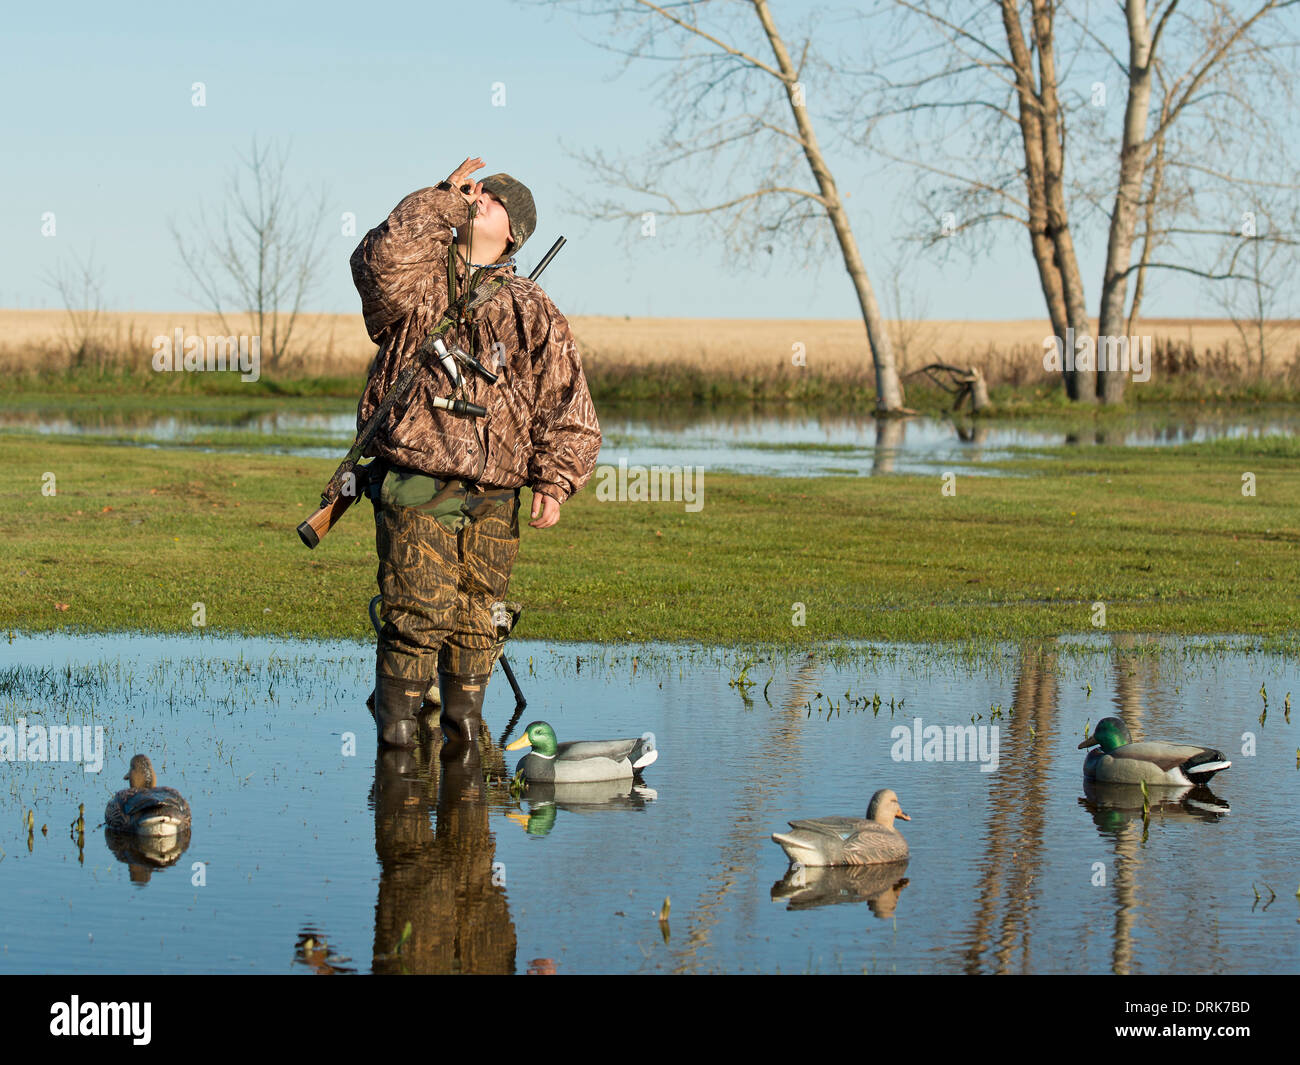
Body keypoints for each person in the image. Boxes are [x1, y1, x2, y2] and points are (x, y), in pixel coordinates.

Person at [350, 156, 601, 755]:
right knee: (414, 615)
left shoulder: (533, 307)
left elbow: (567, 401)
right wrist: (441, 198)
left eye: (487, 200)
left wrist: (556, 480)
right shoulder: (420, 284)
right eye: (471, 196)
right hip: (417, 482)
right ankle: (400, 779)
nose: (474, 200)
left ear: (513, 230)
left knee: (478, 625)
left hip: (496, 497)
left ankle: (466, 794)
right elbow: (377, 262)